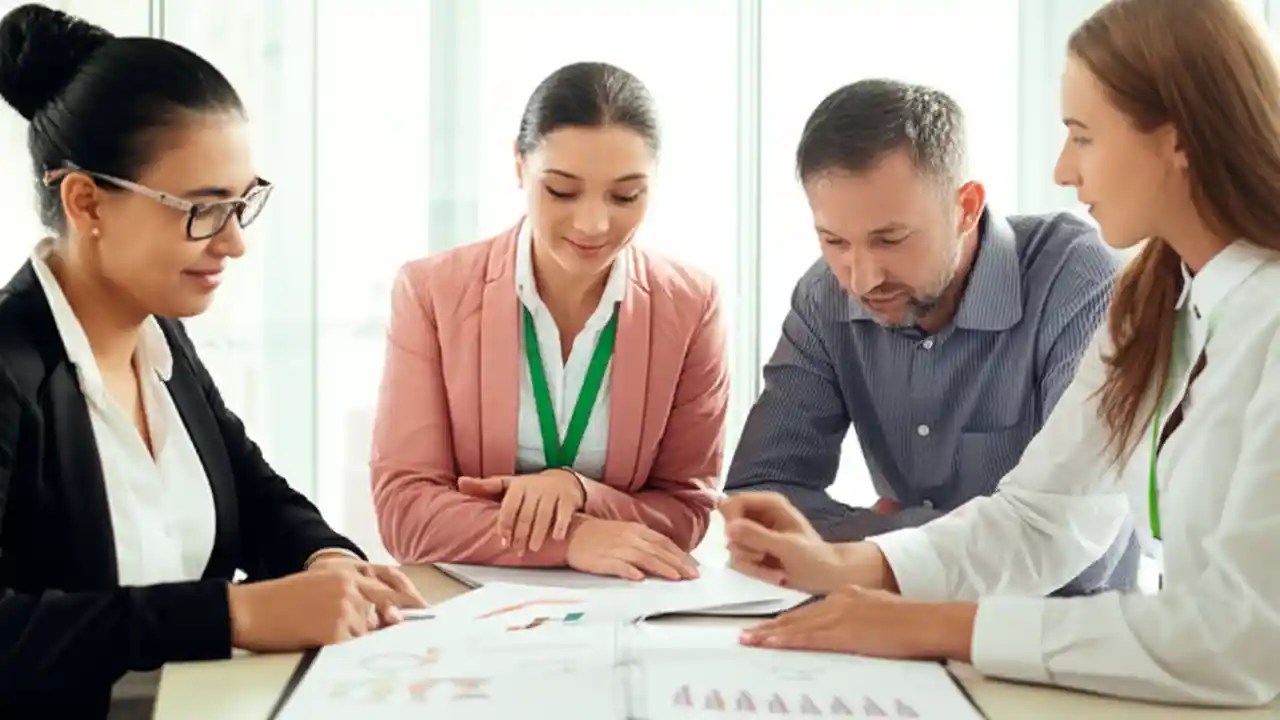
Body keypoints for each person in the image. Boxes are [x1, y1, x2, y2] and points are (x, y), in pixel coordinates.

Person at [723, 0, 1280, 706]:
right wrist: (850, 564)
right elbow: (1042, 515)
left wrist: (931, 626)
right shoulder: (1154, 303)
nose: (1061, 170)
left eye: (1082, 135)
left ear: (1178, 139)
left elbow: (1242, 637)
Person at [0, 5, 425, 717]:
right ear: (85, 201)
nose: (233, 243)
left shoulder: (160, 338)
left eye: (241, 203)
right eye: (201, 210)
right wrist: (231, 616)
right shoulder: (11, 368)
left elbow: (258, 498)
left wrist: (326, 561)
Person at [724, 78, 1137, 594]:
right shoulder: (825, 294)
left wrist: (872, 547)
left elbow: (1077, 555)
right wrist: (908, 547)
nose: (862, 278)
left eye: (890, 239)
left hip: (1052, 640)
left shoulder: (1077, 279)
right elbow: (756, 508)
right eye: (834, 241)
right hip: (897, 626)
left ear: (966, 207)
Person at [371, 62, 728, 582]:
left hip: (626, 606)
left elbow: (687, 510)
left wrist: (579, 491)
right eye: (561, 190)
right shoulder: (431, 292)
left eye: (626, 196)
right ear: (519, 167)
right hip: (470, 610)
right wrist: (574, 536)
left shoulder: (691, 304)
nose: (593, 224)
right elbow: (406, 512)